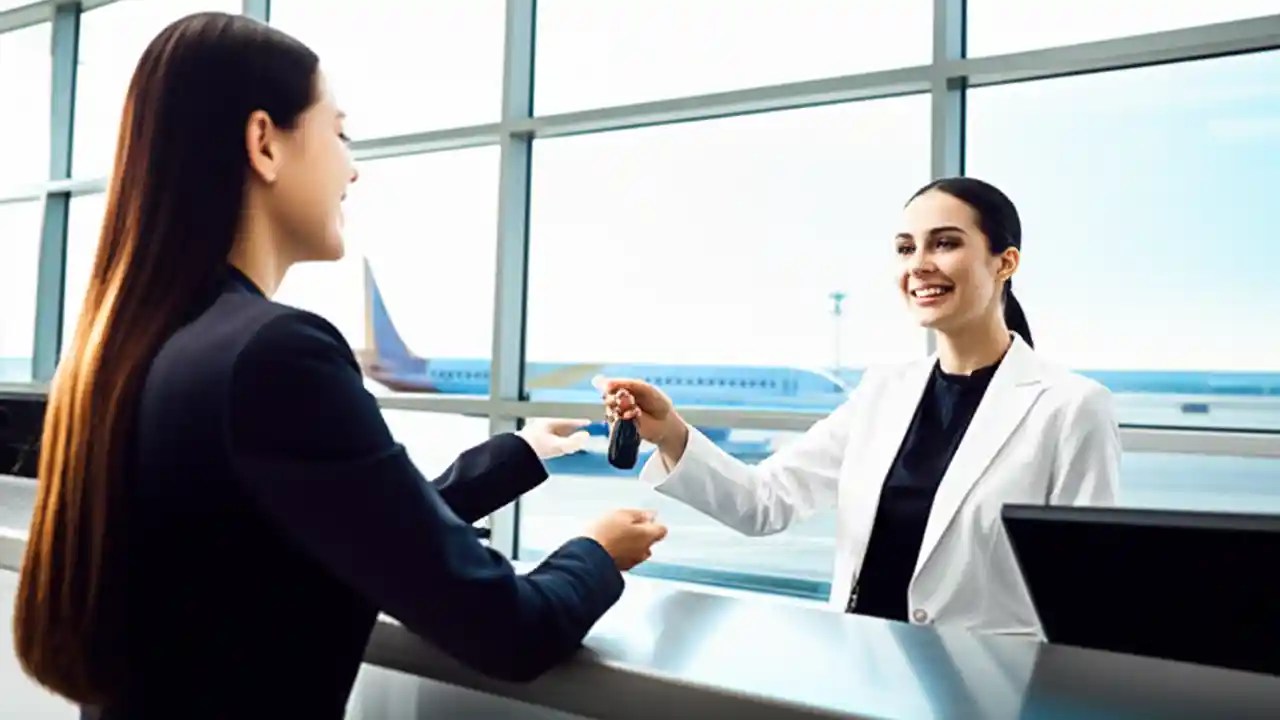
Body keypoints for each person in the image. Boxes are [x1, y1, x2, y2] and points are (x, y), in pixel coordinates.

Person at [13, 12, 666, 718]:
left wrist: (516, 456)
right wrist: (597, 552)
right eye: (340, 131)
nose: (354, 167)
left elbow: (328, 530)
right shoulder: (274, 356)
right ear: (264, 143)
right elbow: (508, 629)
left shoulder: (137, 348)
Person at [599, 176, 1121, 637]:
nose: (919, 265)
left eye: (944, 243)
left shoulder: (1072, 408)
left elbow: (1085, 596)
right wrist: (669, 431)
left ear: (1005, 262)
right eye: (904, 248)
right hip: (865, 677)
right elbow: (765, 503)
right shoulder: (882, 393)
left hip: (988, 695)